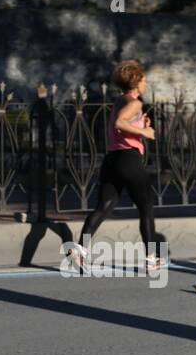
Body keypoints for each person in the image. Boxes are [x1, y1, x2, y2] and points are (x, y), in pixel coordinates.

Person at [68, 59, 161, 277]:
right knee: (146, 208)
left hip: (112, 160)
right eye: (144, 80)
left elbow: (122, 123)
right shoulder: (135, 103)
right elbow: (120, 123)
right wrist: (145, 133)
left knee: (105, 205)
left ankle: (80, 249)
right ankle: (151, 260)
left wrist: (141, 125)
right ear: (137, 81)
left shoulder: (120, 100)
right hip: (129, 160)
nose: (146, 83)